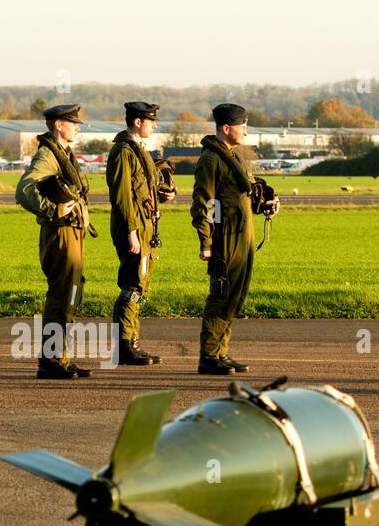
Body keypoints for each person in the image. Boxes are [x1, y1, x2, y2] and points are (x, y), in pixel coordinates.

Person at [15, 103, 95, 379]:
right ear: (58, 125)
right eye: (72, 123)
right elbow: (24, 189)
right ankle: (50, 361)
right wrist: (53, 210)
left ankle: (60, 358)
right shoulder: (48, 156)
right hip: (60, 234)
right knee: (61, 296)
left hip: (72, 233)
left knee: (70, 295)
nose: (76, 127)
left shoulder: (63, 154)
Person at [191, 102, 265, 376]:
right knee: (221, 295)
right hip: (225, 239)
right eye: (241, 126)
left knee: (235, 296)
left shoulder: (234, 156)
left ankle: (221, 351)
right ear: (226, 128)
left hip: (243, 237)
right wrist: (207, 242)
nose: (245, 132)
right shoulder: (211, 160)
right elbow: (205, 204)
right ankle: (209, 356)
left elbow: (242, 193)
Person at [107, 100, 174, 365]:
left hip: (146, 228)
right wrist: (132, 232)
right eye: (151, 120)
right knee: (132, 286)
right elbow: (122, 196)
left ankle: (132, 343)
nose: (154, 125)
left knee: (140, 285)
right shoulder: (124, 152)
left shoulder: (139, 150)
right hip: (132, 229)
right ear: (137, 122)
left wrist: (161, 197)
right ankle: (124, 347)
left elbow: (142, 191)